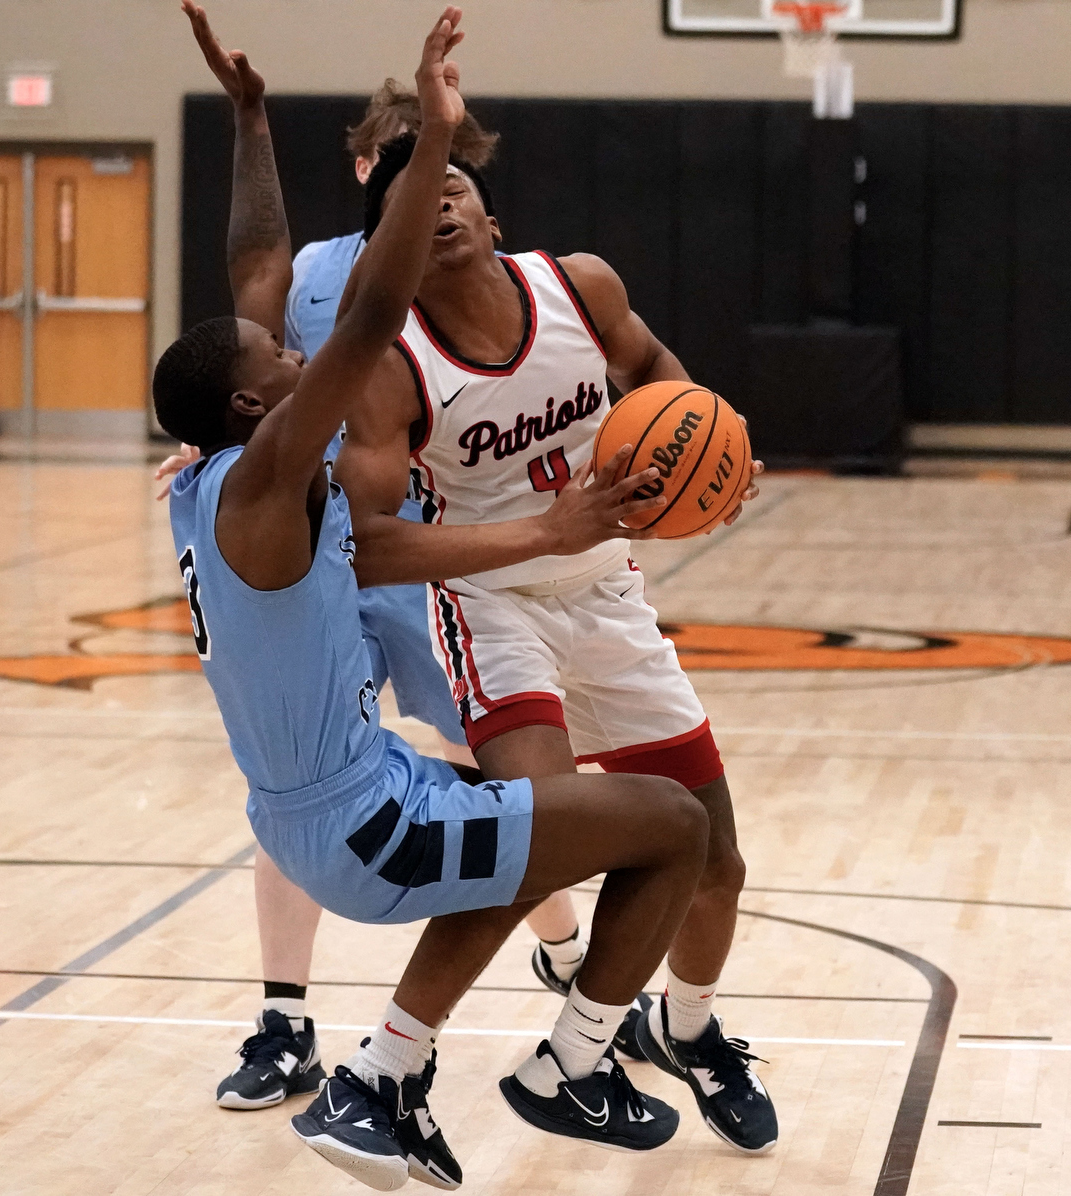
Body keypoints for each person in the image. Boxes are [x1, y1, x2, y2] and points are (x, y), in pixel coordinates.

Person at [160, 5, 707, 1189]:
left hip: (329, 754)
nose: (296, 358)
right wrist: (429, 149)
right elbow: (363, 312)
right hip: (359, 806)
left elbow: (258, 280)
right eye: (279, 368)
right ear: (254, 410)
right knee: (666, 823)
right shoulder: (288, 443)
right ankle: (480, 1062)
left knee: (533, 822)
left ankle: (390, 1075)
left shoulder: (210, 485)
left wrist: (249, 115)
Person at [335, 127, 776, 1154]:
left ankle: (684, 1028)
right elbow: (366, 547)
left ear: (493, 216)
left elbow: (657, 373)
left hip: (607, 597)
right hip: (491, 610)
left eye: (450, 187)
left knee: (716, 863)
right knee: (528, 850)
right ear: (389, 244)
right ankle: (390, 1062)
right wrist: (545, 530)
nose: (435, 206)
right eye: (409, 202)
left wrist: (709, 442)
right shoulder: (389, 367)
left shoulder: (581, 288)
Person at [156, 86, 592, 1117]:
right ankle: (284, 1018)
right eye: (396, 156)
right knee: (296, 778)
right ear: (361, 168)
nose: (418, 180)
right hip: (313, 571)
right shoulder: (310, 279)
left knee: (503, 776)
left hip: (416, 561)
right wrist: (211, 454)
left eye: (436, 161)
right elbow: (241, 380)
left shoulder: (475, 272)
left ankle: (565, 952)